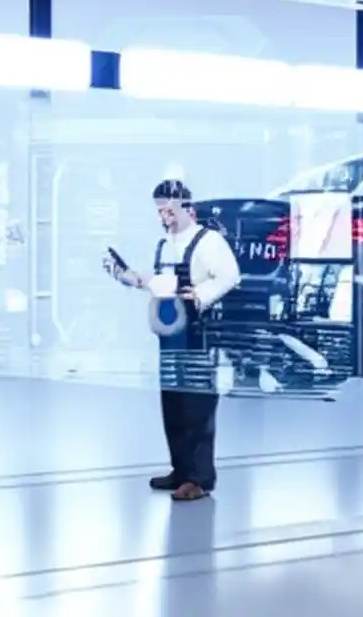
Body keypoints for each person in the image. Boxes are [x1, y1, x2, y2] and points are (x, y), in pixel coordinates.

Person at [104, 179, 240, 501]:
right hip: (170, 335)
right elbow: (161, 283)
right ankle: (180, 469)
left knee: (198, 406)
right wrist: (130, 278)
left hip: (199, 334)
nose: (164, 217)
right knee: (174, 404)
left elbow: (230, 275)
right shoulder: (164, 245)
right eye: (160, 211)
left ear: (186, 207)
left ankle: (199, 478)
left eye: (168, 210)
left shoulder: (209, 242)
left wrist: (200, 294)